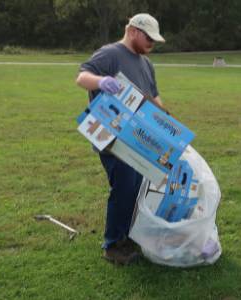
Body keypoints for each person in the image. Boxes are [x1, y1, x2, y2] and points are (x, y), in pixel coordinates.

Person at [75, 13, 166, 264]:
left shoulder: (146, 63)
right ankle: (113, 245)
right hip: (112, 136)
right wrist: (101, 81)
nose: (152, 44)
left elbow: (154, 96)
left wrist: (168, 124)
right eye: (149, 38)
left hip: (138, 139)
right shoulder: (110, 53)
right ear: (134, 31)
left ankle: (127, 235)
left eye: (155, 40)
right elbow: (82, 77)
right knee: (124, 187)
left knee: (137, 189)